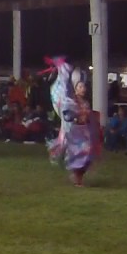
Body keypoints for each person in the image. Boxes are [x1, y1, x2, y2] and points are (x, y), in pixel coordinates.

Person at [47, 59, 101, 187]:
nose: (83, 89)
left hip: (85, 133)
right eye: (80, 87)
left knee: (88, 156)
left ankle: (78, 177)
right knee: (78, 157)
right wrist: (75, 117)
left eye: (84, 86)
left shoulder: (85, 102)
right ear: (75, 89)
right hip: (74, 134)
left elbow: (89, 116)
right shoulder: (70, 101)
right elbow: (67, 115)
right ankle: (77, 179)